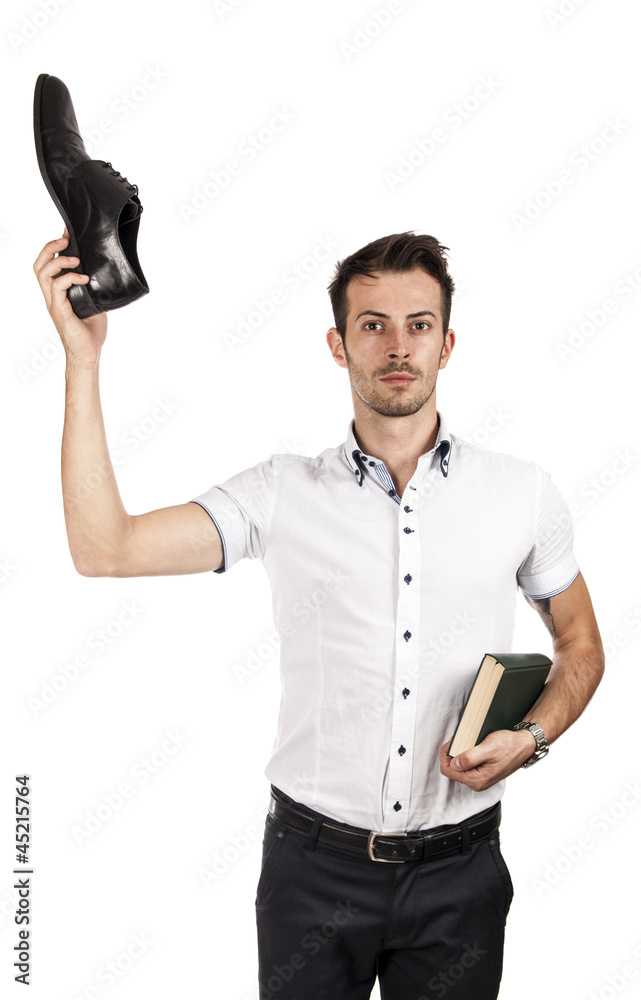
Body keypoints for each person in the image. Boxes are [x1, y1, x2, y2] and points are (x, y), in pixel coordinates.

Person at [34, 229, 604, 999]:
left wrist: (530, 737)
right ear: (338, 345)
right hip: (311, 874)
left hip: (460, 875)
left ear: (448, 342)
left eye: (418, 324)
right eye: (372, 325)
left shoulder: (523, 493)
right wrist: (84, 358)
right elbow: (106, 548)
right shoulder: (280, 492)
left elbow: (580, 644)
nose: (397, 346)